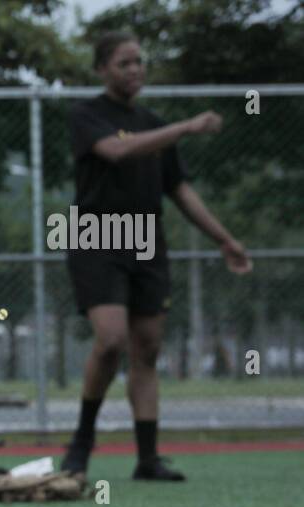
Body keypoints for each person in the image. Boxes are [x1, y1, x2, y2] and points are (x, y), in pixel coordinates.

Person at [61, 32, 252, 480]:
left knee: (147, 349)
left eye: (139, 62)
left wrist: (225, 239)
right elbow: (118, 150)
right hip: (97, 237)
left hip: (146, 242)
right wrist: (185, 128)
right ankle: (81, 444)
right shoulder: (86, 115)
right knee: (110, 341)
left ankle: (147, 458)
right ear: (102, 69)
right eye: (124, 62)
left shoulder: (153, 121)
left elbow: (180, 191)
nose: (134, 70)